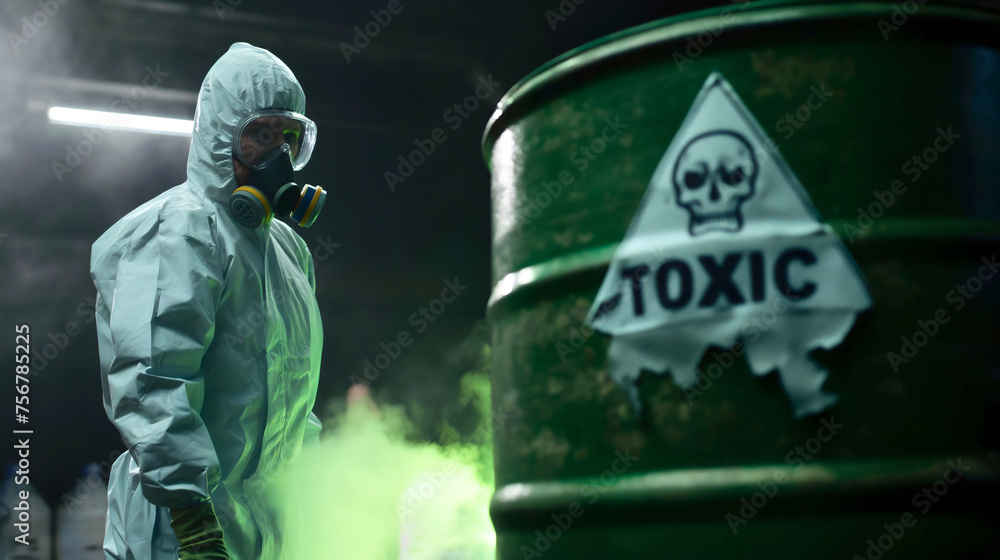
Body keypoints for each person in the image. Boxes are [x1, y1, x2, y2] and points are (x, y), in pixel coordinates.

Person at [91, 42, 327, 560]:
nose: (278, 157)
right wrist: (194, 526)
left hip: (267, 530)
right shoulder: (180, 227)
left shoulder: (289, 252)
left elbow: (295, 397)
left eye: (290, 138)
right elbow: (154, 383)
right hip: (182, 533)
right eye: (261, 134)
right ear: (222, 133)